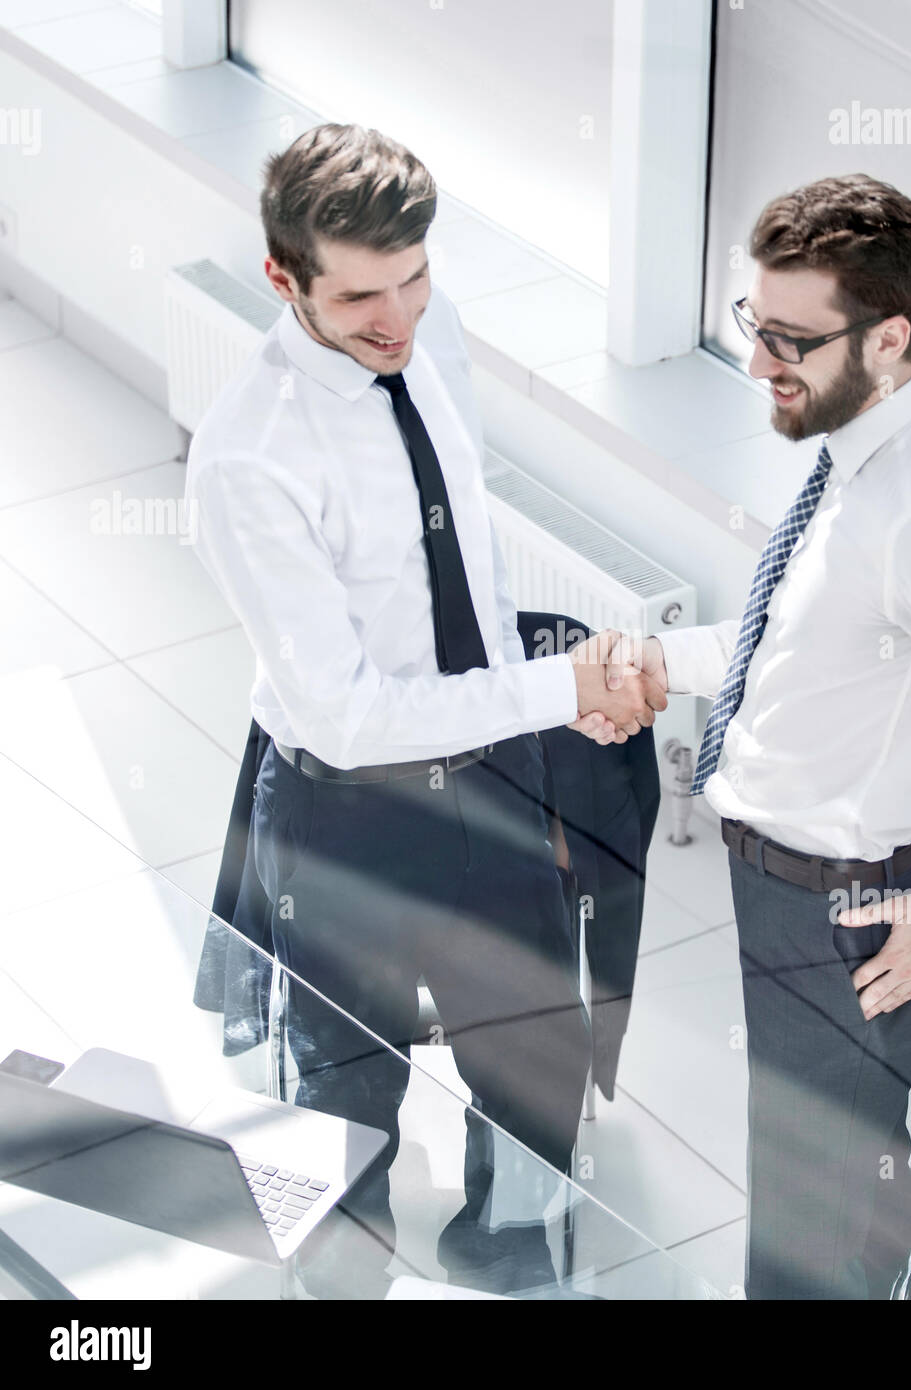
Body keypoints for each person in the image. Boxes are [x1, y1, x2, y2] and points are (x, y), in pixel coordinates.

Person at [590, 174, 911, 1299]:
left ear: (889, 338)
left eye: (789, 338)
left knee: (806, 1247)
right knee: (820, 1214)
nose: (756, 362)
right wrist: (662, 664)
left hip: (845, 918)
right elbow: (799, 651)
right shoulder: (863, 449)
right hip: (789, 898)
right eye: (753, 323)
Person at [183, 123, 665, 1294]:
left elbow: (471, 565)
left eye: (415, 276)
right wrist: (558, 685)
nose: (397, 316)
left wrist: (567, 700)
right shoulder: (250, 459)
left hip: (495, 776)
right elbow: (350, 718)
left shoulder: (427, 326)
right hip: (351, 816)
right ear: (281, 279)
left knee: (534, 1050)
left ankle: (515, 1254)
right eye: (358, 296)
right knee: (342, 1090)